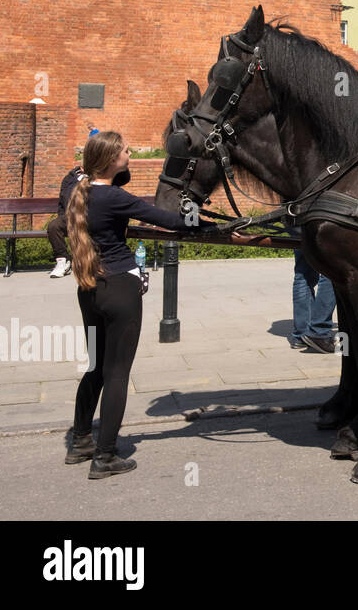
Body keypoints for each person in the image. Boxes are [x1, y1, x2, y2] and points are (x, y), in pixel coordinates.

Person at [63, 131, 211, 478]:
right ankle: (106, 456)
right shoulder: (114, 197)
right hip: (121, 291)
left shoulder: (78, 191)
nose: (130, 155)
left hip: (89, 289)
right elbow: (168, 218)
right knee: (117, 374)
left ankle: (81, 441)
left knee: (96, 367)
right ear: (112, 160)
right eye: (126, 152)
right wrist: (205, 224)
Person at [291, 246, 336, 352]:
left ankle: (301, 336)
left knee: (303, 274)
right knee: (331, 271)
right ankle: (319, 331)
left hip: (296, 230)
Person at [47, 163, 85, 278]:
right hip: (70, 216)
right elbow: (61, 202)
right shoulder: (69, 178)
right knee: (54, 226)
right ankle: (62, 261)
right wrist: (62, 217)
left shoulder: (97, 177)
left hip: (88, 216)